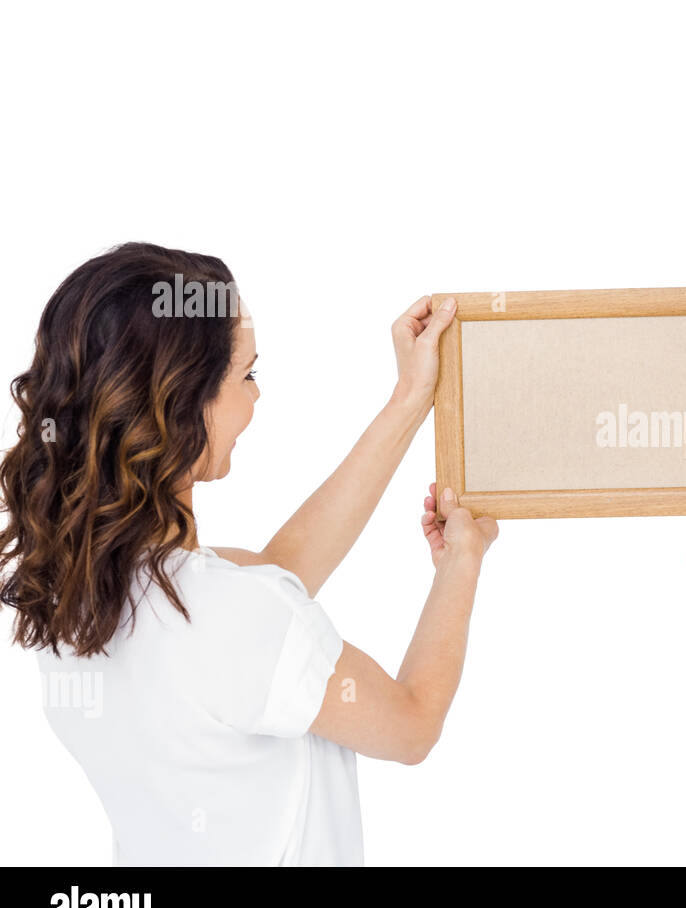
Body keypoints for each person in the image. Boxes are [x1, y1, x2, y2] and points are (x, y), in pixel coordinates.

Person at [0, 242, 496, 865]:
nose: (256, 398)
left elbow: (279, 575)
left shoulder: (69, 599)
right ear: (183, 401)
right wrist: (462, 563)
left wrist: (410, 400)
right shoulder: (232, 614)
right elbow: (413, 726)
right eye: (247, 376)